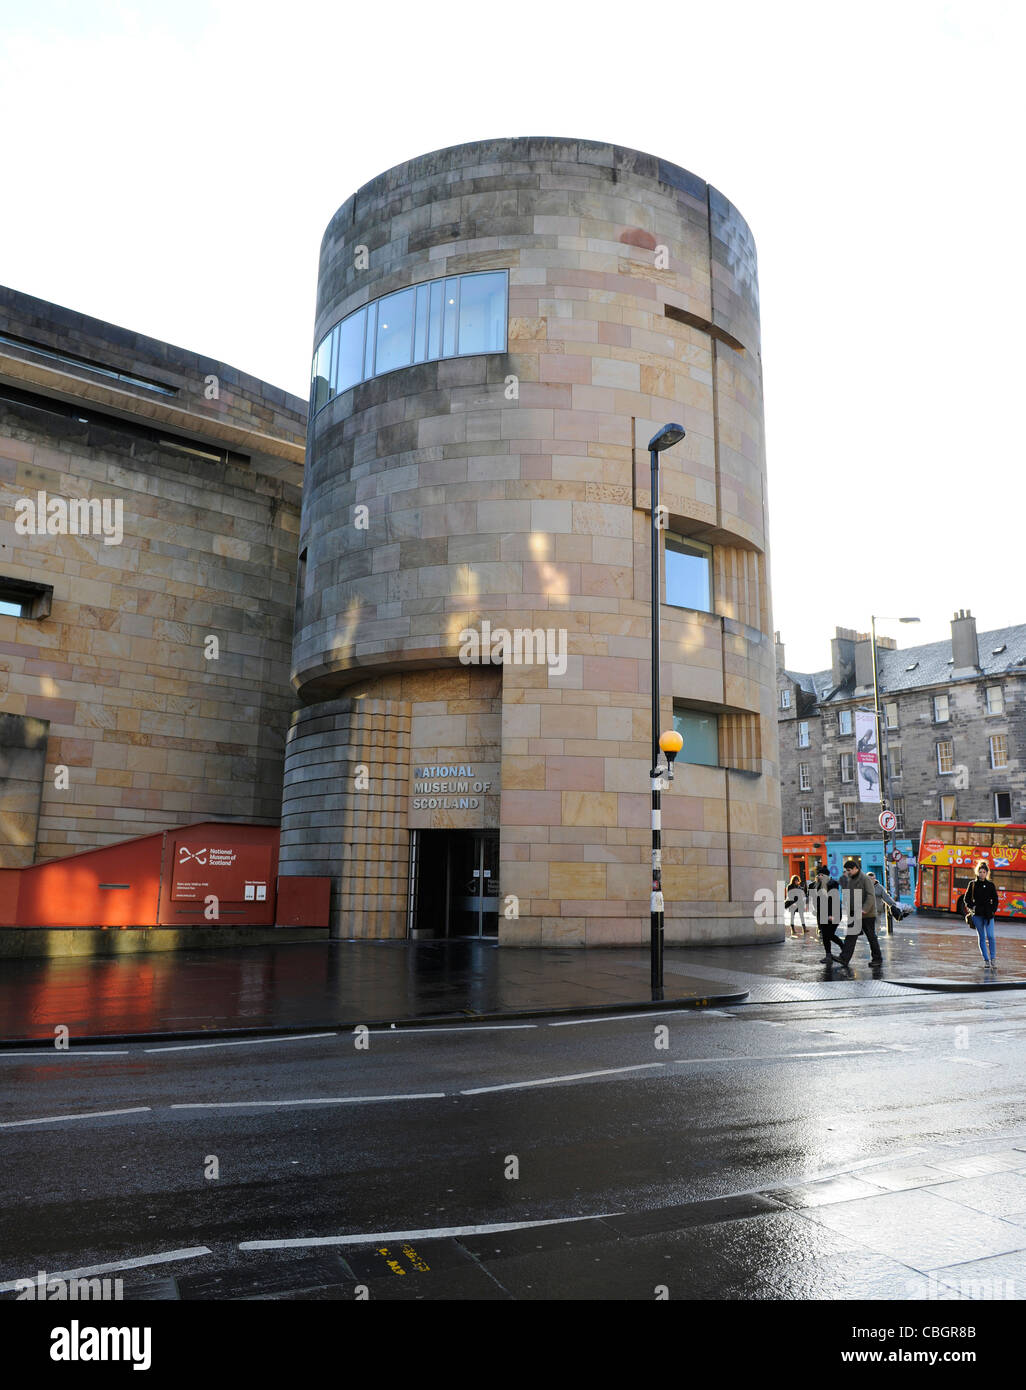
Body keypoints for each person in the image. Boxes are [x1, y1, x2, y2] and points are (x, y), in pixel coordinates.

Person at [837, 859, 882, 966]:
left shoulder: (865, 879)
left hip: (866, 914)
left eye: (849, 870)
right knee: (850, 936)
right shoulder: (850, 879)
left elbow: (871, 895)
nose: (848, 872)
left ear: (856, 868)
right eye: (846, 870)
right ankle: (844, 958)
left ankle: (877, 959)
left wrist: (864, 909)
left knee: (871, 937)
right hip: (855, 913)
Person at [963, 861, 999, 968]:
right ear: (977, 872)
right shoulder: (972, 884)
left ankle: (993, 958)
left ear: (987, 873)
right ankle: (986, 960)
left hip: (989, 915)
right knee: (982, 937)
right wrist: (973, 907)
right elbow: (966, 899)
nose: (982, 874)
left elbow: (995, 899)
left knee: (991, 936)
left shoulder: (990, 885)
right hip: (977, 915)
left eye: (984, 872)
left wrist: (993, 910)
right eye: (980, 872)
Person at [808, 863, 843, 961]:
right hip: (821, 914)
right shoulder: (817, 885)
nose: (819, 876)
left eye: (821, 875)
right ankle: (828, 955)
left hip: (833, 914)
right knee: (825, 936)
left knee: (830, 934)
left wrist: (831, 915)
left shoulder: (832, 884)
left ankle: (843, 947)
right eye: (818, 875)